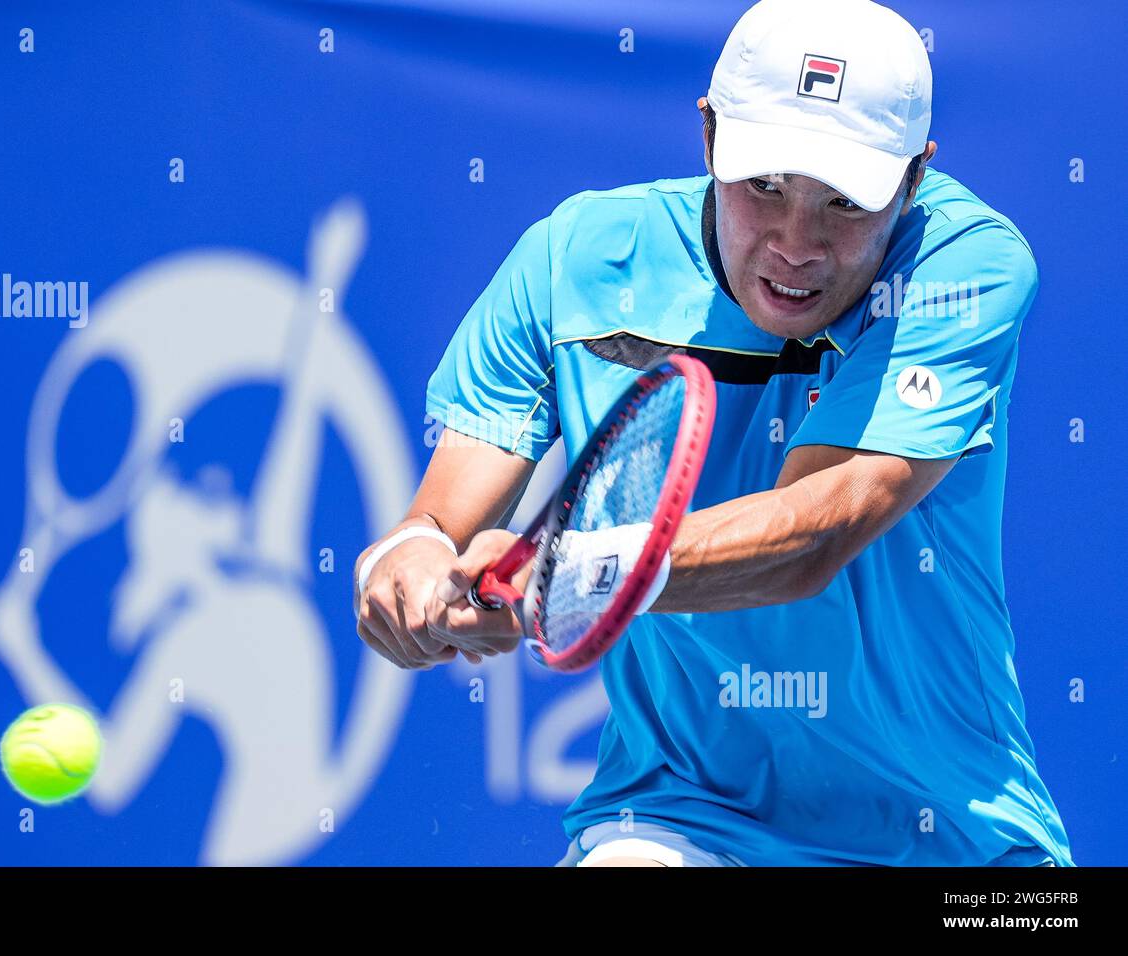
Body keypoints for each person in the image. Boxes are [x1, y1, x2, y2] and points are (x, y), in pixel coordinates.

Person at [353, 0, 1073, 867]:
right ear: (708, 136)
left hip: (960, 844)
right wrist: (404, 568)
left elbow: (816, 527)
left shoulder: (965, 267)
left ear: (914, 182)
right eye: (763, 183)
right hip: (679, 820)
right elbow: (435, 523)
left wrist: (578, 573)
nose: (796, 244)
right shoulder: (574, 258)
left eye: (844, 202)